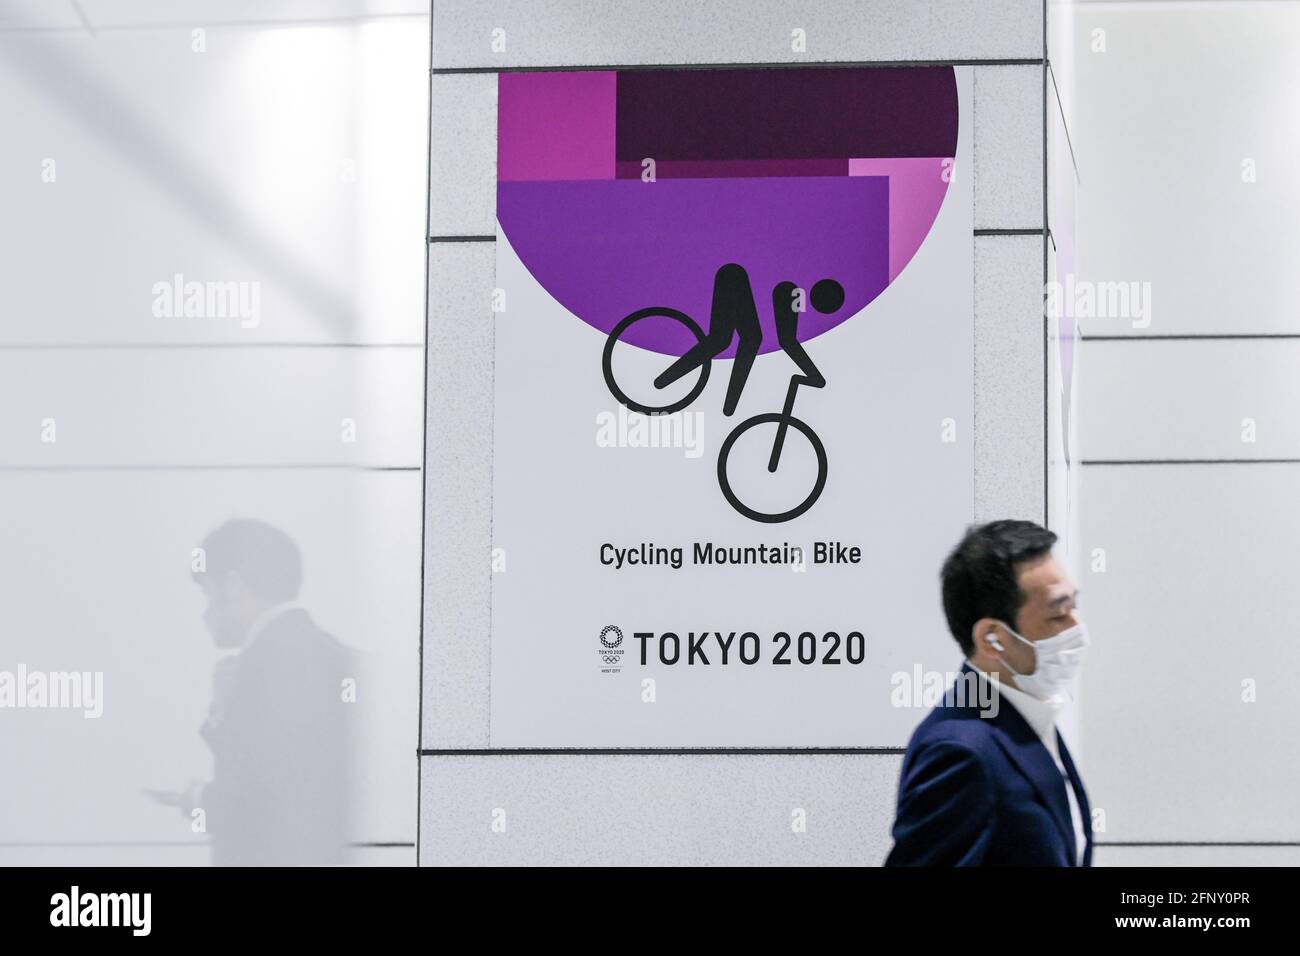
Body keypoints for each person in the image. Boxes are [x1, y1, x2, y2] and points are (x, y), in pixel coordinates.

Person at [884, 519, 1092, 866]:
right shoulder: (959, 751)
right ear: (992, 639)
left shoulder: (1027, 713)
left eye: (1074, 606)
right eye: (1058, 615)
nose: (1077, 628)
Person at [149, 519, 354, 865]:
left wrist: (199, 800)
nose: (204, 612)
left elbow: (264, 796)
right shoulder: (334, 655)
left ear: (231, 586)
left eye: (206, 592)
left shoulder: (265, 663)